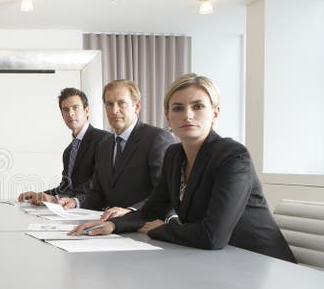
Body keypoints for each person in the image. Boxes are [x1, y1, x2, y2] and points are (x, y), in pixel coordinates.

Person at [73, 74, 295, 262]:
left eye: (198, 106)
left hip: (260, 262)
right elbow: (152, 211)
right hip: (214, 260)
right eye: (177, 108)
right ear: (168, 116)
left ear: (215, 113)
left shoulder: (233, 156)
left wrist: (159, 229)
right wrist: (113, 225)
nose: (187, 115)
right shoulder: (174, 155)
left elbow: (213, 235)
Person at [60, 79, 174, 219]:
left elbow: (165, 193)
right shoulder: (104, 145)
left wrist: (132, 211)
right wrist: (75, 202)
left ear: (137, 106)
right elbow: (98, 193)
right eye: (109, 104)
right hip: (111, 226)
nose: (114, 110)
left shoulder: (157, 139)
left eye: (121, 103)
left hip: (143, 225)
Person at [17, 88, 111, 205]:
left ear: (86, 111)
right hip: (71, 211)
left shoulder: (104, 139)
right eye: (65, 110)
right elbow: (66, 187)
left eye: (75, 108)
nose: (70, 113)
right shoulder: (68, 151)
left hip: (95, 209)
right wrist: (40, 195)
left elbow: (96, 184)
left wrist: (56, 199)